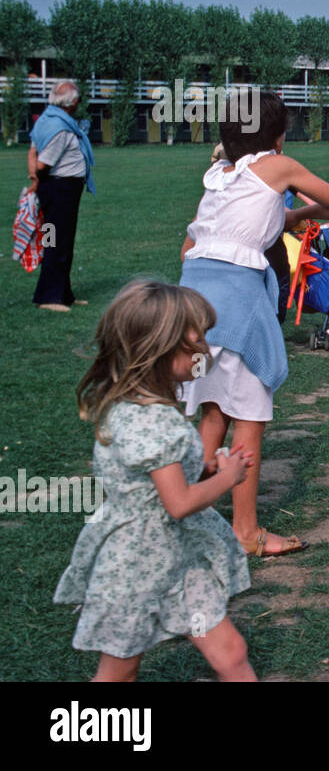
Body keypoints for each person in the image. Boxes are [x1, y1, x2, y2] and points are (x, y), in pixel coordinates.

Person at [54, 280, 256, 681]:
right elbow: (177, 502)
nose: (204, 352)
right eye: (195, 343)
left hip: (177, 558)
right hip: (135, 565)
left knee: (231, 652)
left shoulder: (135, 406)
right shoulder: (153, 420)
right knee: (120, 671)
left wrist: (205, 470)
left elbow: (156, 483)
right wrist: (229, 478)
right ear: (157, 352)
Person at [180, 92, 329, 556]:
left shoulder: (217, 177)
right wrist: (300, 202)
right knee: (250, 416)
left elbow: (194, 242)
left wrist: (285, 216)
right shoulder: (277, 167)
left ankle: (182, 510)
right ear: (277, 136)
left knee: (212, 410)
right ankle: (247, 531)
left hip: (192, 297)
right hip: (237, 299)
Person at [28, 81, 95, 311]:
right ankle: (49, 298)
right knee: (56, 242)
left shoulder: (46, 120)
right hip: (59, 192)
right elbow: (42, 163)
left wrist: (35, 177)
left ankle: (63, 293)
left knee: (57, 242)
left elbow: (33, 148)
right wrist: (36, 174)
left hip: (56, 191)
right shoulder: (61, 129)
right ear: (73, 102)